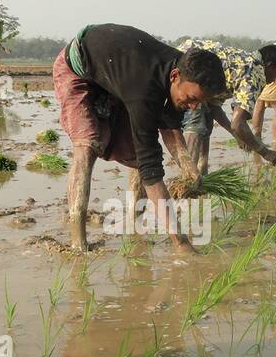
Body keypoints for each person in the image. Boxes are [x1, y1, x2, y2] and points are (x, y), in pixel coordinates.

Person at [53, 24, 224, 253]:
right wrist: (181, 242)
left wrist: (189, 170)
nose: (193, 107)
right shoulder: (143, 91)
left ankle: (136, 218)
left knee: (135, 153)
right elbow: (151, 171)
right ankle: (78, 242)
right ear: (175, 77)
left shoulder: (180, 69)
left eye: (199, 103)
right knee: (88, 145)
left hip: (115, 74)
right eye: (191, 99)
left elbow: (170, 126)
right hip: (77, 68)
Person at [175, 39, 276, 174]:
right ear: (269, 65)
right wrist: (265, 152)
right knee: (196, 122)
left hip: (182, 57)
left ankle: (202, 171)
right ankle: (188, 180)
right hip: (188, 66)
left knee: (206, 119)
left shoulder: (243, 61)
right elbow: (238, 124)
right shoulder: (254, 72)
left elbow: (213, 108)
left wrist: (236, 135)